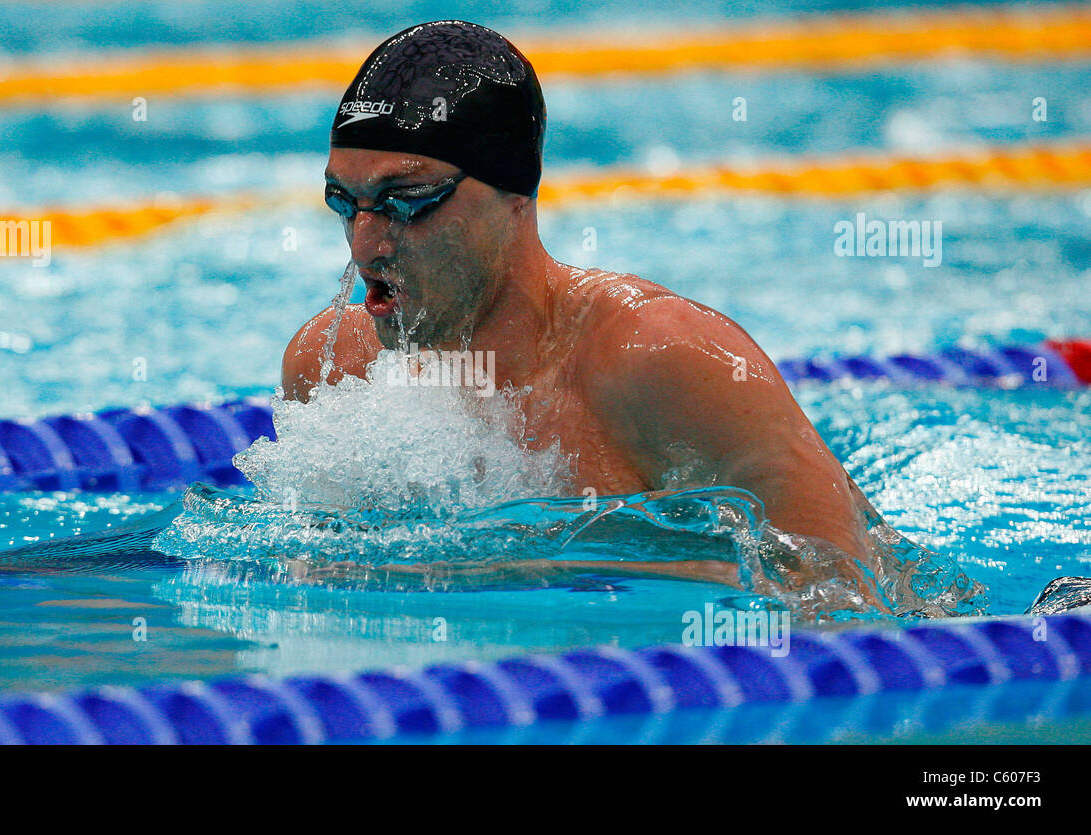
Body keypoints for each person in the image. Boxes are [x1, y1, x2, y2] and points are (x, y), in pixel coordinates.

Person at [280, 21, 893, 599]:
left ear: (514, 194)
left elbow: (843, 597)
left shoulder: (663, 361)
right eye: (344, 201)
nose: (365, 243)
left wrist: (529, 568)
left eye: (408, 200)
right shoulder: (336, 369)